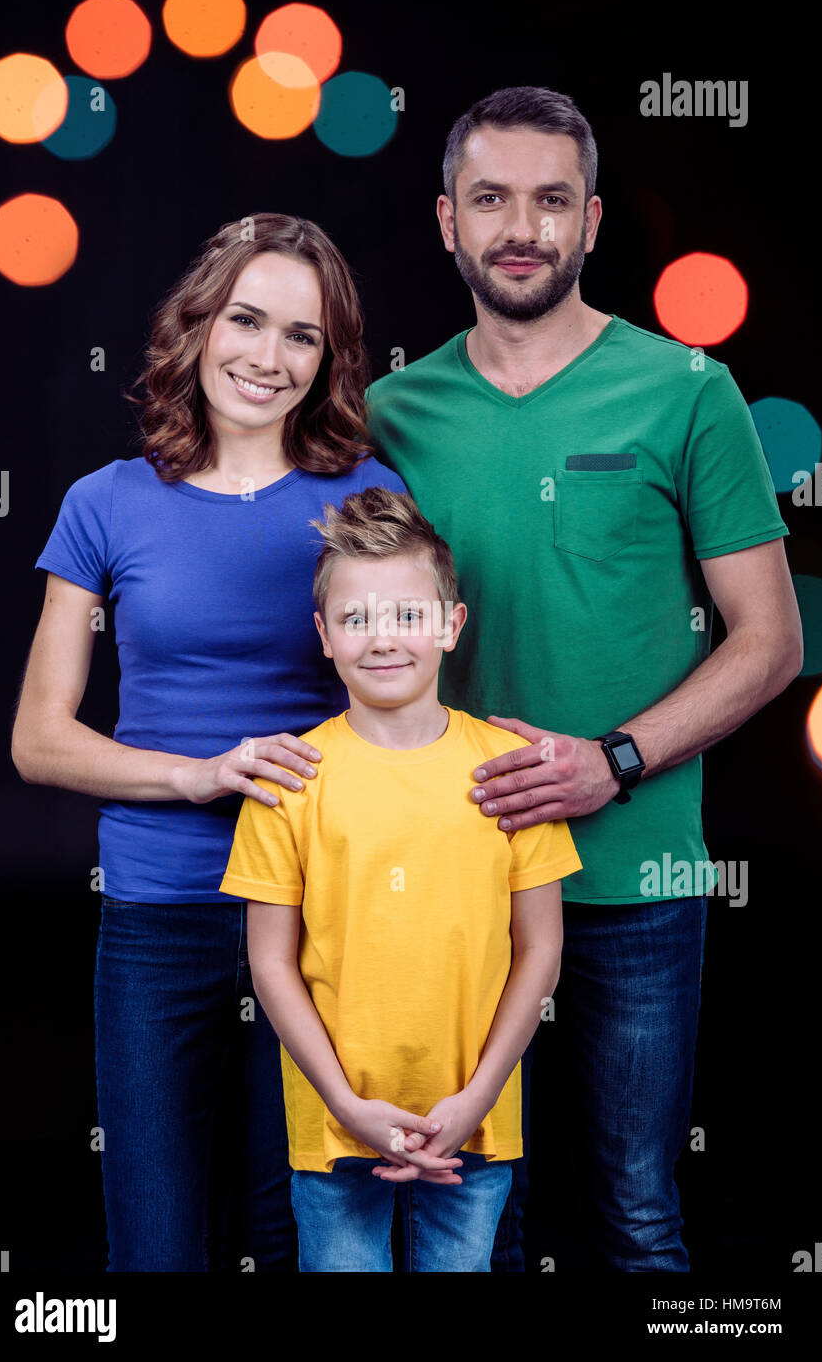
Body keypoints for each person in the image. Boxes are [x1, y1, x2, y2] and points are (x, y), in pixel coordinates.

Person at [364, 86, 803, 1271]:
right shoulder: (392, 413)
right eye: (492, 198)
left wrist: (609, 762)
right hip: (450, 876)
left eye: (552, 200)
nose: (522, 225)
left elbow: (770, 641)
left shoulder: (688, 391)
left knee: (636, 1217)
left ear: (592, 221)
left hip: (636, 873)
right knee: (470, 1222)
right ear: (446, 220)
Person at [10, 213, 408, 1272]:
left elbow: (404, 703)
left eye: (302, 337)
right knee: (156, 1244)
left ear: (329, 362)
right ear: (197, 324)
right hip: (157, 914)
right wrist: (199, 774)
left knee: (301, 1240)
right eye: (246, 319)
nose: (267, 358)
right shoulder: (105, 502)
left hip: (321, 916)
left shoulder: (365, 499)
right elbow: (39, 739)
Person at [217, 486, 583, 1271]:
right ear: (323, 634)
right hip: (334, 1123)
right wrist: (345, 1104)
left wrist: (478, 1095)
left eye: (408, 615)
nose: (383, 639)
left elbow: (540, 950)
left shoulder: (507, 774)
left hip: (473, 1123)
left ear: (452, 626)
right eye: (356, 619)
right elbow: (270, 963)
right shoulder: (292, 780)